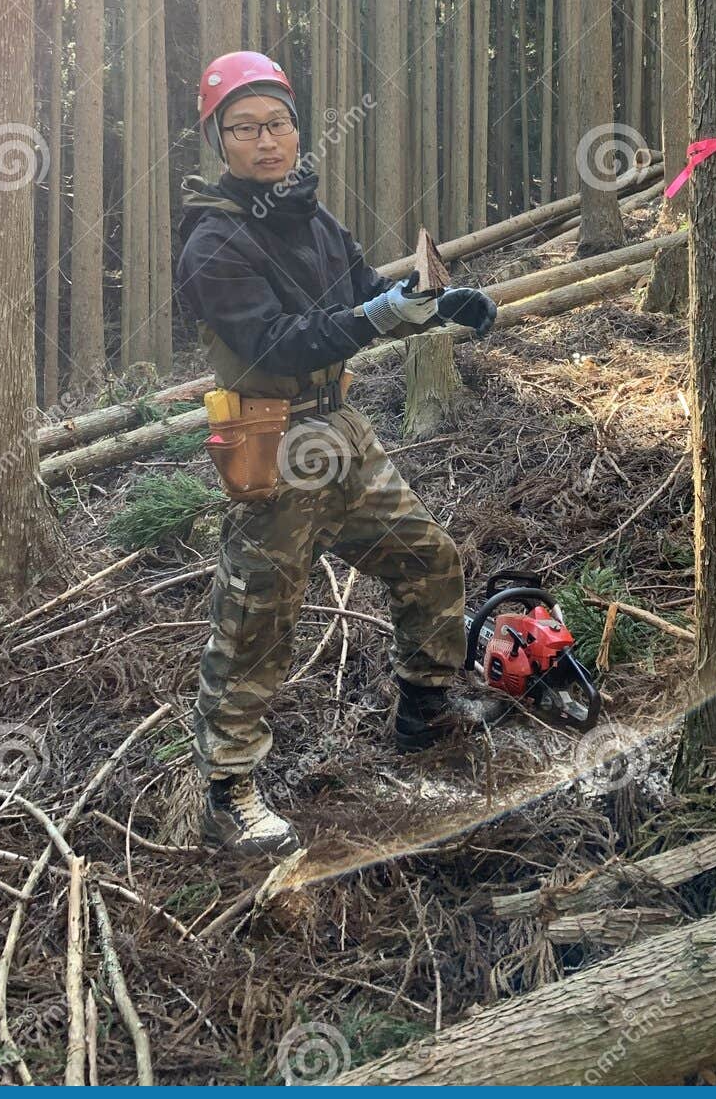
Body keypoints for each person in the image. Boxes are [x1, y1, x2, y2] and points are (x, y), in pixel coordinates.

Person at [176, 52, 498, 858]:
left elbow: (360, 292)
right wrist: (382, 313)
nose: (266, 141)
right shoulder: (213, 241)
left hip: (341, 430)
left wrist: (432, 309)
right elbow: (276, 344)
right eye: (245, 128)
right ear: (219, 140)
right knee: (256, 618)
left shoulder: (313, 219)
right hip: (273, 443)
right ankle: (226, 791)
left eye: (278, 123)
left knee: (428, 557)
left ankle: (425, 712)